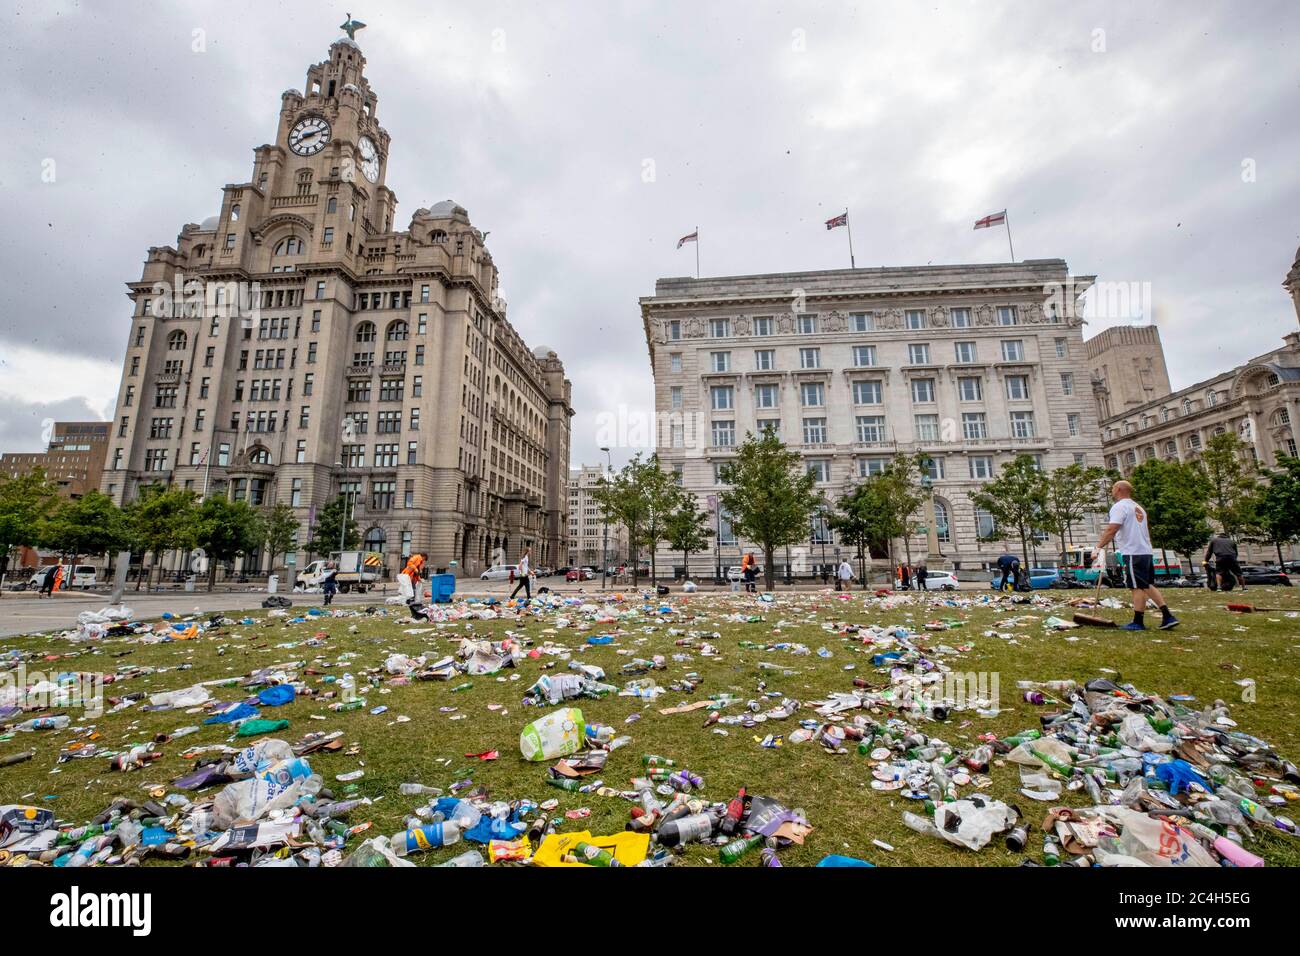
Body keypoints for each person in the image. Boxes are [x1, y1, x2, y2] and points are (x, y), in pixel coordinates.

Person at [1094, 480, 1179, 631]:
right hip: (1145, 551)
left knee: (1136, 586)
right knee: (1145, 585)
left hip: (1133, 551)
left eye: (1113, 488)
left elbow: (1112, 529)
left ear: (1119, 489)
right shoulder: (1138, 507)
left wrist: (1098, 547)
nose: (1112, 491)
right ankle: (1166, 616)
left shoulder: (1120, 507)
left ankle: (1139, 622)